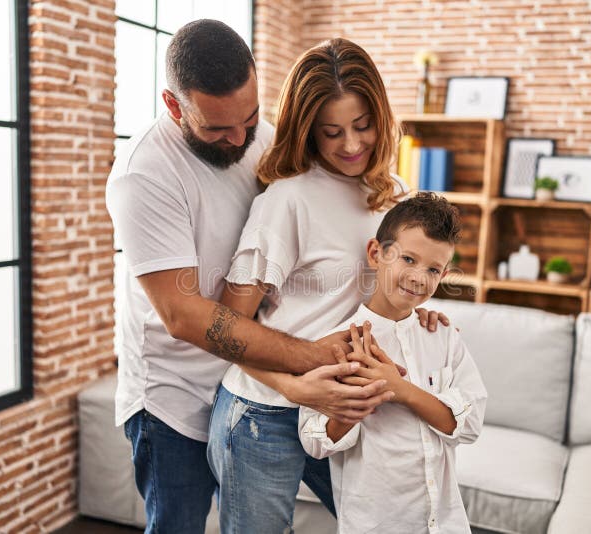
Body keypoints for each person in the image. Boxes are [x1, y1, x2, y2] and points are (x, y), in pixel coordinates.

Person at [105, 21, 399, 533]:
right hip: (174, 394)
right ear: (175, 107)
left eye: (250, 116)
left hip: (255, 380)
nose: (241, 138)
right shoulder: (144, 174)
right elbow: (186, 315)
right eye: (218, 129)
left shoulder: (263, 140)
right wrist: (313, 362)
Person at [207, 38, 449, 533]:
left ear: (381, 116)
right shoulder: (287, 200)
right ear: (307, 131)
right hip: (264, 412)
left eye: (362, 125)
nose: (352, 144)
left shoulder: (394, 197)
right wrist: (295, 386)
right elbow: (226, 326)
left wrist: (415, 312)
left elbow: (392, 288)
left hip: (349, 408)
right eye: (332, 131)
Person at [299, 192, 489, 534]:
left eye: (433, 269)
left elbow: (471, 423)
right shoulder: (342, 343)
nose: (419, 277)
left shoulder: (443, 336)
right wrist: (354, 405)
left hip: (444, 525)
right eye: (409, 259)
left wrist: (400, 389)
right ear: (377, 253)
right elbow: (313, 440)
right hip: (374, 524)